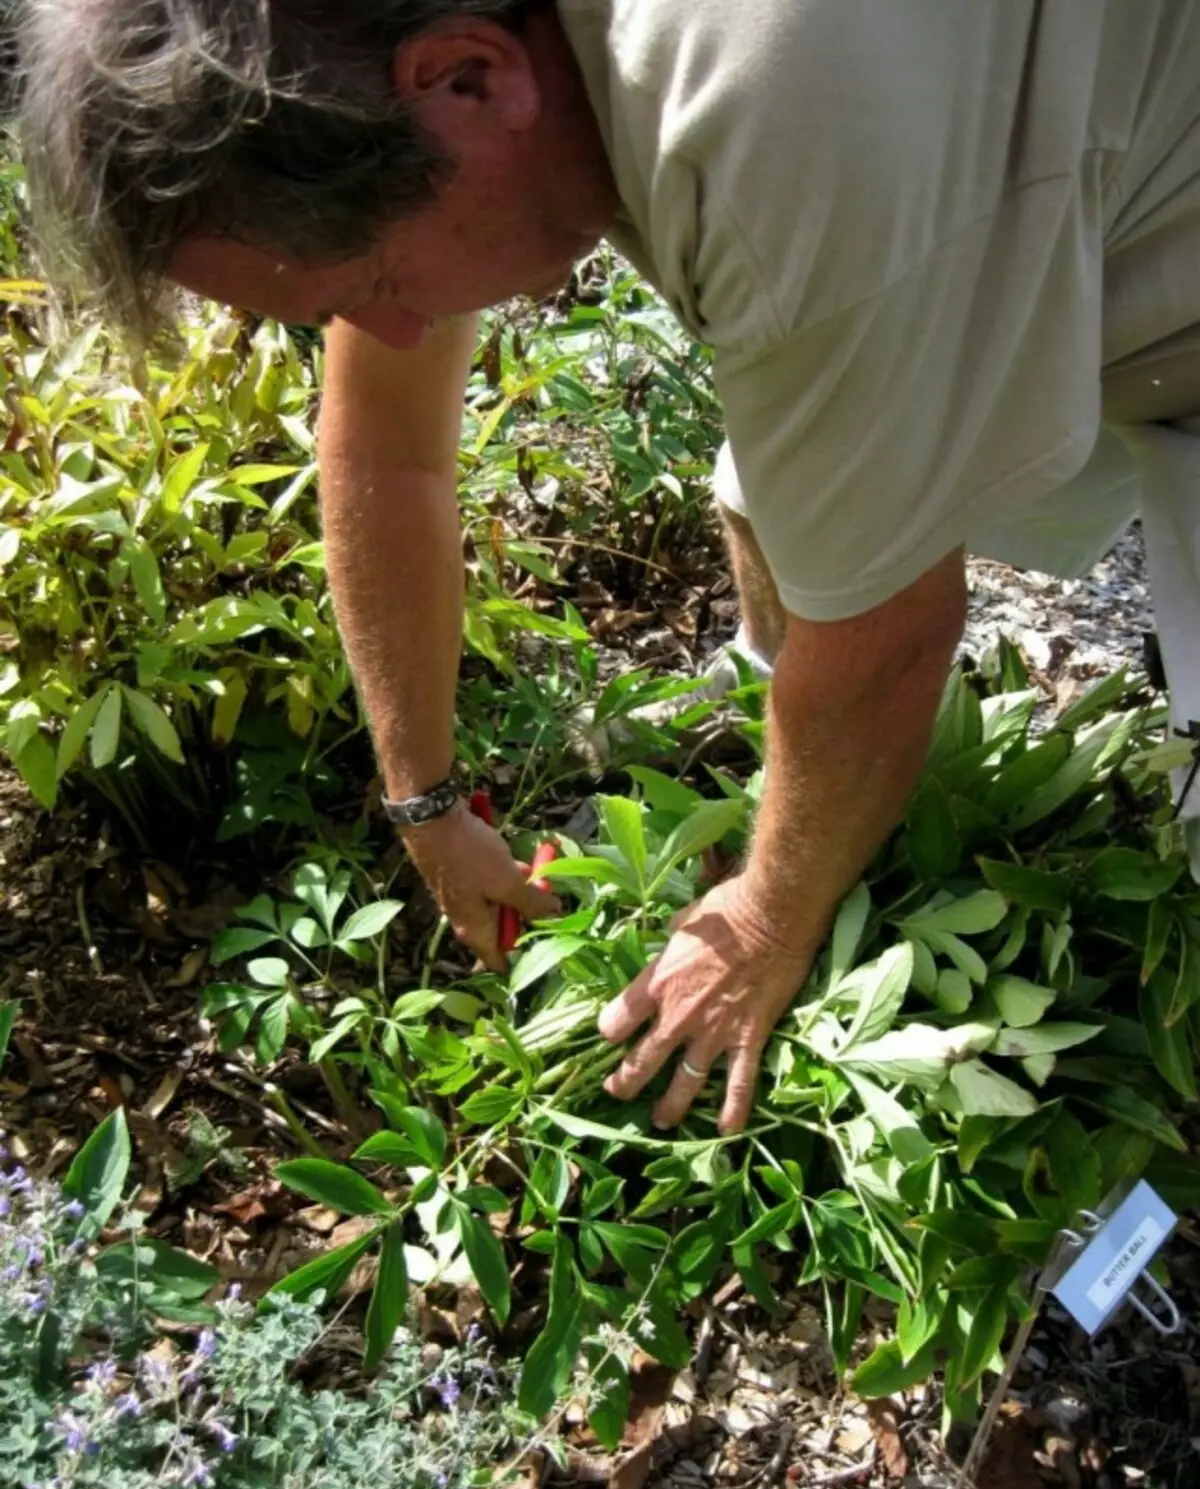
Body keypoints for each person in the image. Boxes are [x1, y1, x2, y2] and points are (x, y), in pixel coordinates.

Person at [14, 0, 1200, 1135]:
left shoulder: (777, 132)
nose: (389, 335)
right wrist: (427, 803)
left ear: (471, 79)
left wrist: (763, 921)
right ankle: (772, 718)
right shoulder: (413, 57)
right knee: (794, 510)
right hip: (1046, 163)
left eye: (371, 287)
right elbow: (386, 445)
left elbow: (884, 638)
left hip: (1168, 248)